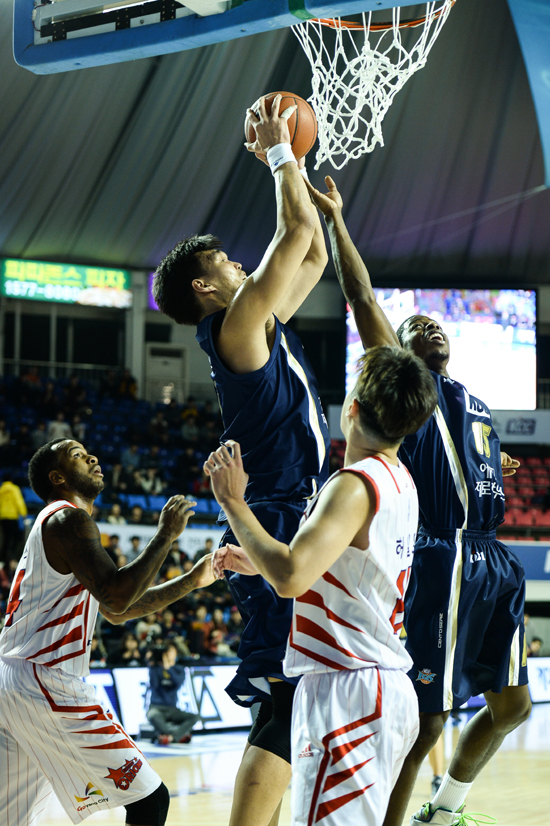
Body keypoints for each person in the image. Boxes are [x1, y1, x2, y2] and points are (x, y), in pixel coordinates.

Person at [304, 175, 532, 826]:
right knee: (429, 721)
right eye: (414, 325)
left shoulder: (474, 404)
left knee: (513, 706)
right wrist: (336, 220)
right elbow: (359, 296)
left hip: (496, 560)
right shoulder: (416, 391)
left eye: (435, 321)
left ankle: (444, 809)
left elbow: (474, 461)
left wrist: (495, 460)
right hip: (446, 557)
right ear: (400, 353)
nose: (428, 323)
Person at [153, 96, 330, 826]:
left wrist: (297, 165)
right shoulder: (235, 328)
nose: (237, 262)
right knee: (285, 700)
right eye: (226, 260)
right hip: (278, 517)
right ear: (206, 289)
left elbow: (312, 251)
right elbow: (292, 235)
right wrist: (281, 155)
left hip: (294, 512)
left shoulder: (257, 322)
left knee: (299, 702)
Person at [205, 344, 438, 826]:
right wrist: (261, 562)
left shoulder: (353, 483)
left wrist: (233, 502)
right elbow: (341, 568)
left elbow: (292, 576)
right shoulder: (401, 480)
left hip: (347, 688)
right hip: (379, 685)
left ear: (351, 409)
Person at [0, 437, 215, 826]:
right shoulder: (67, 519)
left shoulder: (60, 529)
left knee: (12, 818)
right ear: (58, 477)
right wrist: (166, 534)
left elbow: (119, 610)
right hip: (46, 678)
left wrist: (193, 580)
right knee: (150, 801)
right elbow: (116, 597)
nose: (92, 457)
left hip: (13, 682)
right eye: (77, 456)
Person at [146, 641, 200, 745]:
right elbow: (154, 685)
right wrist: (152, 663)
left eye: (170, 651)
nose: (168, 653)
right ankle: (177, 735)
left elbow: (178, 683)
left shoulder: (179, 669)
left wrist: (168, 668)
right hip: (157, 707)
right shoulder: (155, 669)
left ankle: (170, 736)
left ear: (176, 653)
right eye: (166, 651)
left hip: (173, 708)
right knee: (152, 715)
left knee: (195, 717)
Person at [0, 474, 28, 565]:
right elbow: (18, 501)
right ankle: (12, 555)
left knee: (6, 537)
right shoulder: (14, 488)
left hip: (3, 517)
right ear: (11, 480)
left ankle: (3, 557)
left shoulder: (1, 490)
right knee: (15, 537)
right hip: (12, 517)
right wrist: (24, 513)